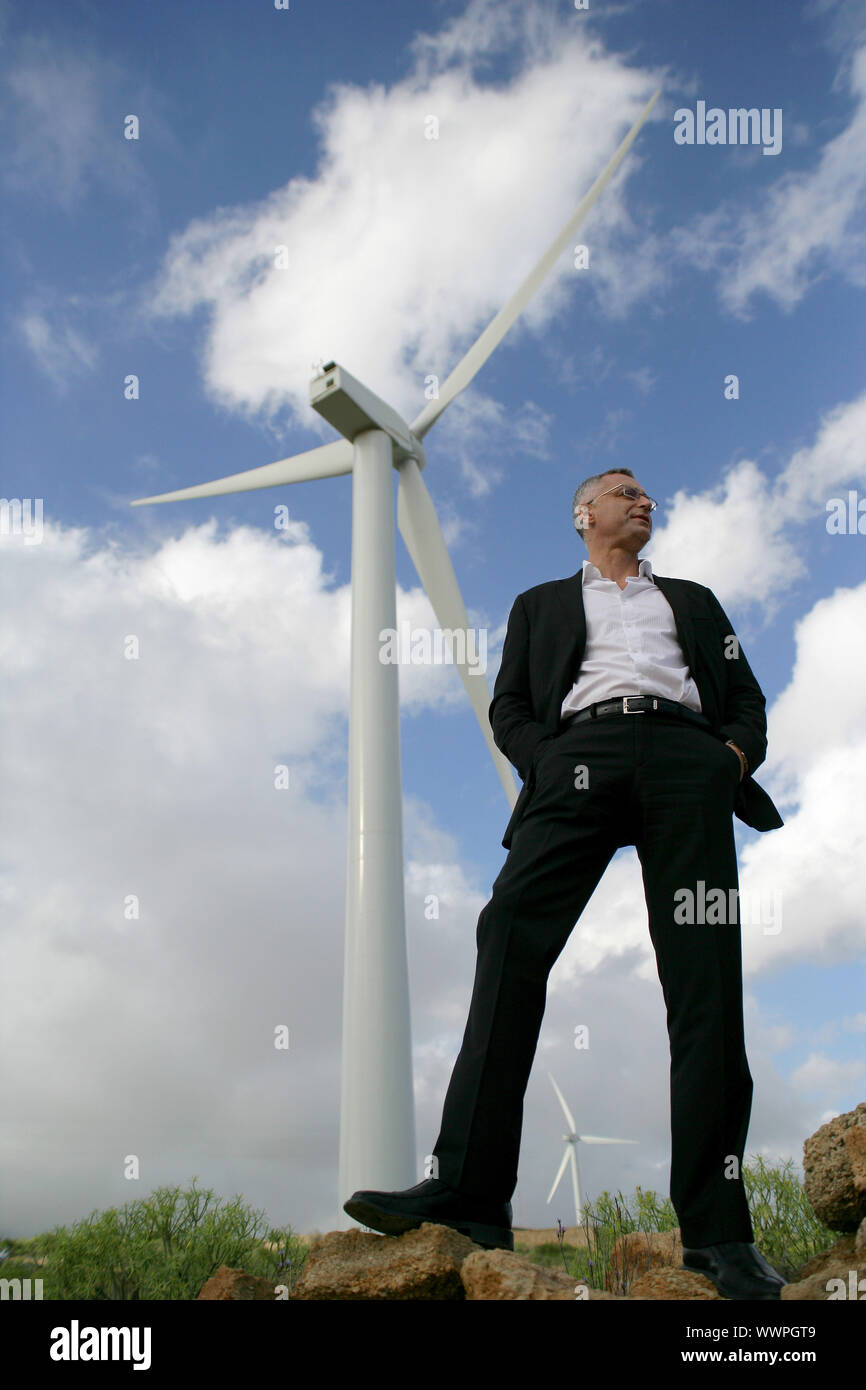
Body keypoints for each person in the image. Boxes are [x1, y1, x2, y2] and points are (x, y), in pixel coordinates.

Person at [344, 469, 787, 1300]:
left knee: (706, 985)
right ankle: (471, 1191)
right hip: (578, 763)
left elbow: (749, 698)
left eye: (650, 492)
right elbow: (508, 705)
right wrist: (546, 763)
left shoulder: (695, 601)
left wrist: (727, 758)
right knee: (508, 933)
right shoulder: (539, 604)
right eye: (625, 490)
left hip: (689, 765)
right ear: (584, 514)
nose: (644, 498)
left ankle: (719, 1233)